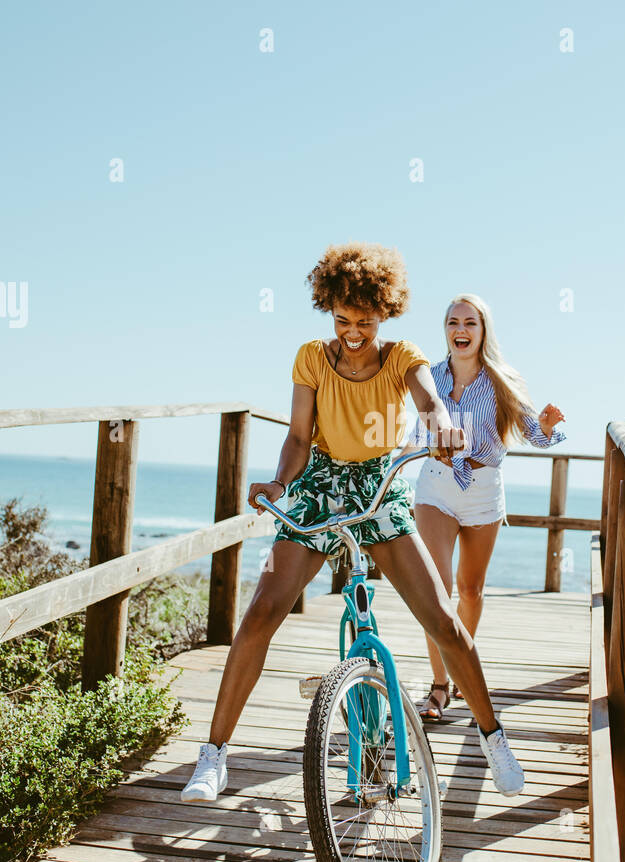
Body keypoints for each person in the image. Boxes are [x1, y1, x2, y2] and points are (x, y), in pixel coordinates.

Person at [182, 244, 526, 802]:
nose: (354, 332)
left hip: (377, 485)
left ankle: (493, 738)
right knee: (263, 610)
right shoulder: (312, 358)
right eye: (343, 320)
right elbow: (298, 437)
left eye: (365, 321)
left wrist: (441, 427)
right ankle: (214, 755)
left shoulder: (401, 356)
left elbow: (429, 403)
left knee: (442, 615)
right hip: (319, 484)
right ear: (329, 312)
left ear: (383, 314)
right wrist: (278, 483)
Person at [407, 293, 566, 721]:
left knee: (470, 591)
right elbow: (414, 429)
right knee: (437, 589)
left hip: (482, 490)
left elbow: (534, 432)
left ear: (483, 331)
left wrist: (548, 427)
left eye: (470, 323)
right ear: (445, 330)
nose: (461, 330)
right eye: (453, 322)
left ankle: (459, 666)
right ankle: (439, 686)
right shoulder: (428, 376)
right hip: (436, 484)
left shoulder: (502, 380)